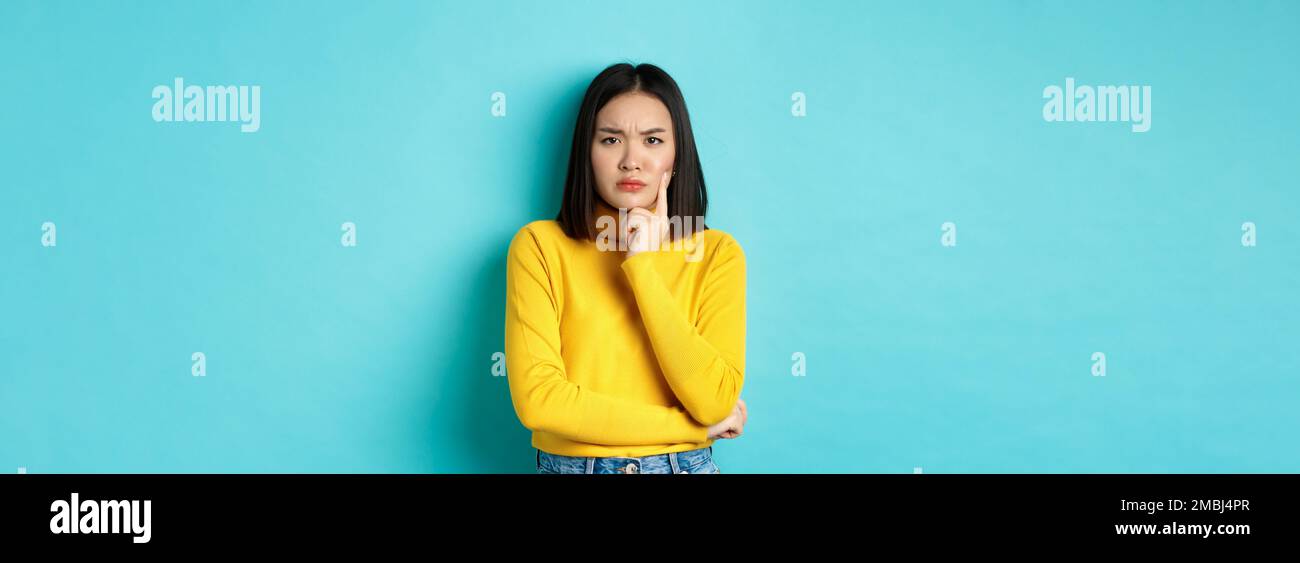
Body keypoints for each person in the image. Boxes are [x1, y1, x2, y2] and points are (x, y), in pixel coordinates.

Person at [505, 62, 747, 474]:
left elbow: (714, 400)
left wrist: (642, 267)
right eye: (611, 139)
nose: (631, 160)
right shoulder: (540, 247)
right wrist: (689, 428)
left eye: (652, 140)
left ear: (677, 153)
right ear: (588, 150)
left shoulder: (716, 253)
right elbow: (540, 402)